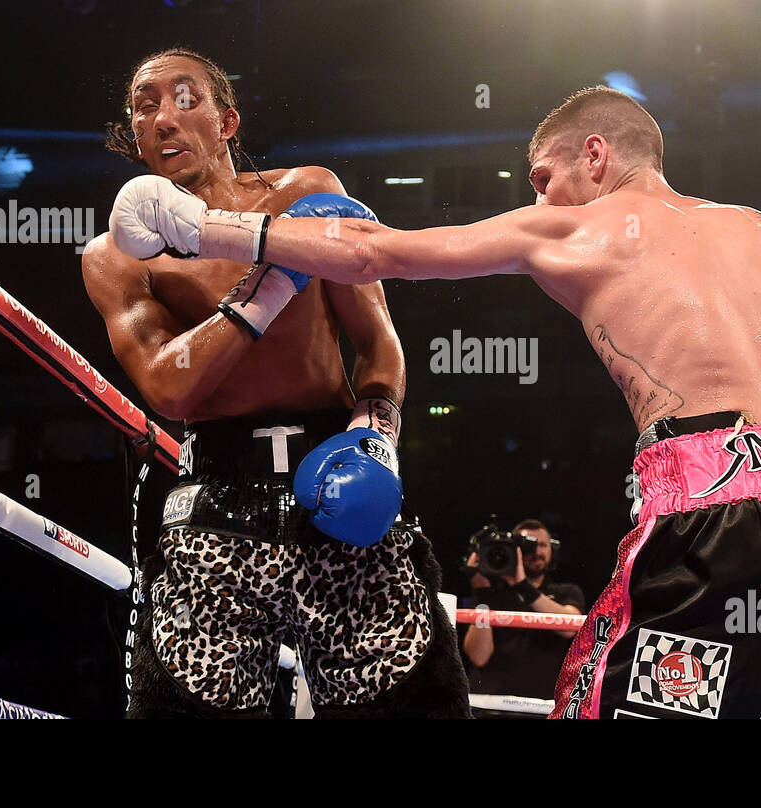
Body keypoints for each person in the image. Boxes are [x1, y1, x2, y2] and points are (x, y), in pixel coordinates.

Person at [110, 86, 761, 719]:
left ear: (594, 157)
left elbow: (385, 254)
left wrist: (202, 230)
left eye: (543, 177)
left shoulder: (575, 224)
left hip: (716, 511)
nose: (537, 197)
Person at [84, 47, 468, 718]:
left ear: (227, 121)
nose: (165, 118)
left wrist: (376, 439)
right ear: (135, 135)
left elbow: (377, 344)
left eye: (185, 98)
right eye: (145, 107)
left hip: (340, 482)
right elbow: (169, 390)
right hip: (215, 511)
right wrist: (273, 280)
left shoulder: (306, 194)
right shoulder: (114, 257)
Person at [462, 520, 584, 701]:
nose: (537, 552)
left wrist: (522, 585)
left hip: (542, 707)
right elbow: (479, 656)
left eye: (542, 545)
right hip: (490, 704)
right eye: (529, 545)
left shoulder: (565, 592)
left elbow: (569, 627)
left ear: (552, 550)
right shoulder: (491, 595)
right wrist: (482, 593)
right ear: (515, 550)